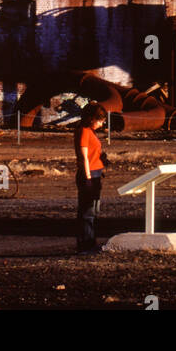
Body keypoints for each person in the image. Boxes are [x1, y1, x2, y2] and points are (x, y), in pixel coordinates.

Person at [73, 102, 107, 253]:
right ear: (91, 118)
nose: (102, 123)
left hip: (96, 172)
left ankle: (90, 242)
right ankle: (85, 245)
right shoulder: (84, 131)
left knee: (93, 211)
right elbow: (83, 157)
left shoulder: (90, 131)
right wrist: (87, 178)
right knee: (87, 212)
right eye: (100, 119)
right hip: (90, 174)